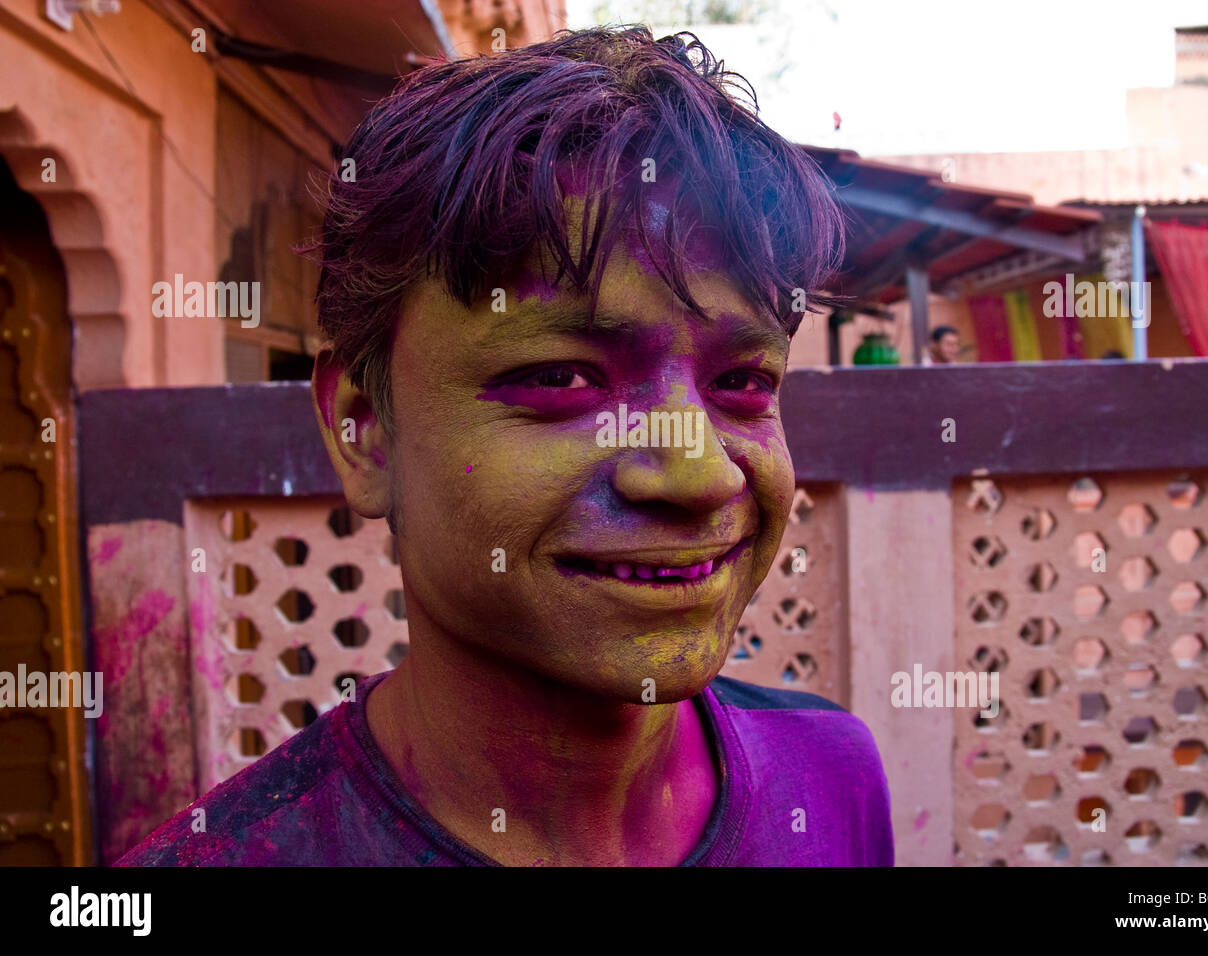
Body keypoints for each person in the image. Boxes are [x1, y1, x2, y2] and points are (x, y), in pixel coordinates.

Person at [116, 26, 892, 867]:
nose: (698, 472)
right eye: (562, 378)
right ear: (364, 428)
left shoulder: (833, 773)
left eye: (743, 382)